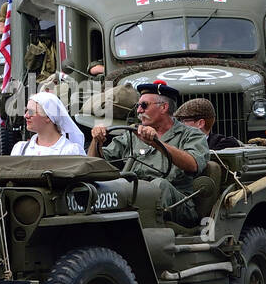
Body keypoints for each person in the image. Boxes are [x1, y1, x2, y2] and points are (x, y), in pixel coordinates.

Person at [89, 80, 208, 227]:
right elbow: (95, 164)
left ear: (164, 107)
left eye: (144, 105)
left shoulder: (190, 134)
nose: (139, 111)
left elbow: (193, 164)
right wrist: (97, 141)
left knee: (159, 185)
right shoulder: (132, 134)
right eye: (138, 106)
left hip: (177, 203)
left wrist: (156, 143)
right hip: (134, 196)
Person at [12, 92, 85, 156]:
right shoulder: (20, 149)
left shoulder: (71, 151)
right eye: (26, 111)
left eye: (31, 112)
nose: (26, 116)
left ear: (48, 117)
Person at [176, 98, 243, 150]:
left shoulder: (223, 144)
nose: (181, 124)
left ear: (200, 123)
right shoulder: (178, 142)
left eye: (184, 121)